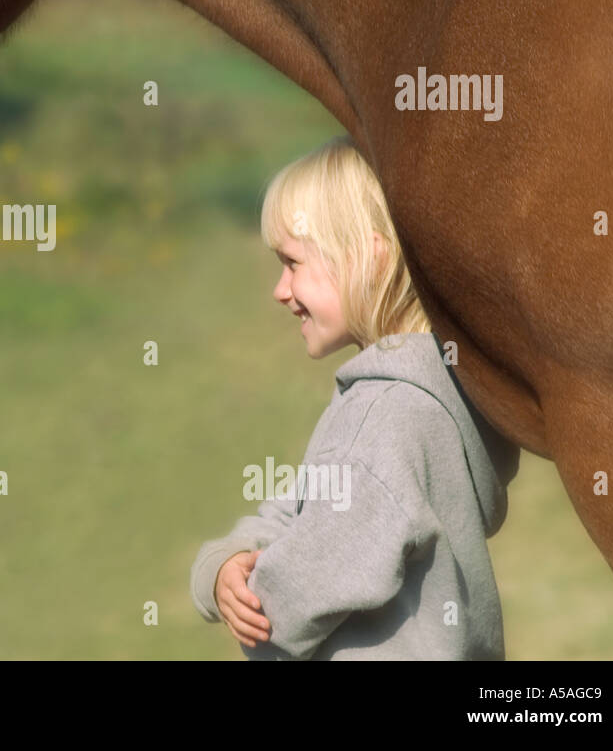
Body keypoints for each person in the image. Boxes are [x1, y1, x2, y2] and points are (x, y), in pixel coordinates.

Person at [189, 135, 520, 659]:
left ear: (370, 258)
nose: (279, 289)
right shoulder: (447, 395)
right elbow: (301, 509)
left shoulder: (380, 419)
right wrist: (226, 560)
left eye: (292, 262)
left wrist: (233, 591)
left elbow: (287, 603)